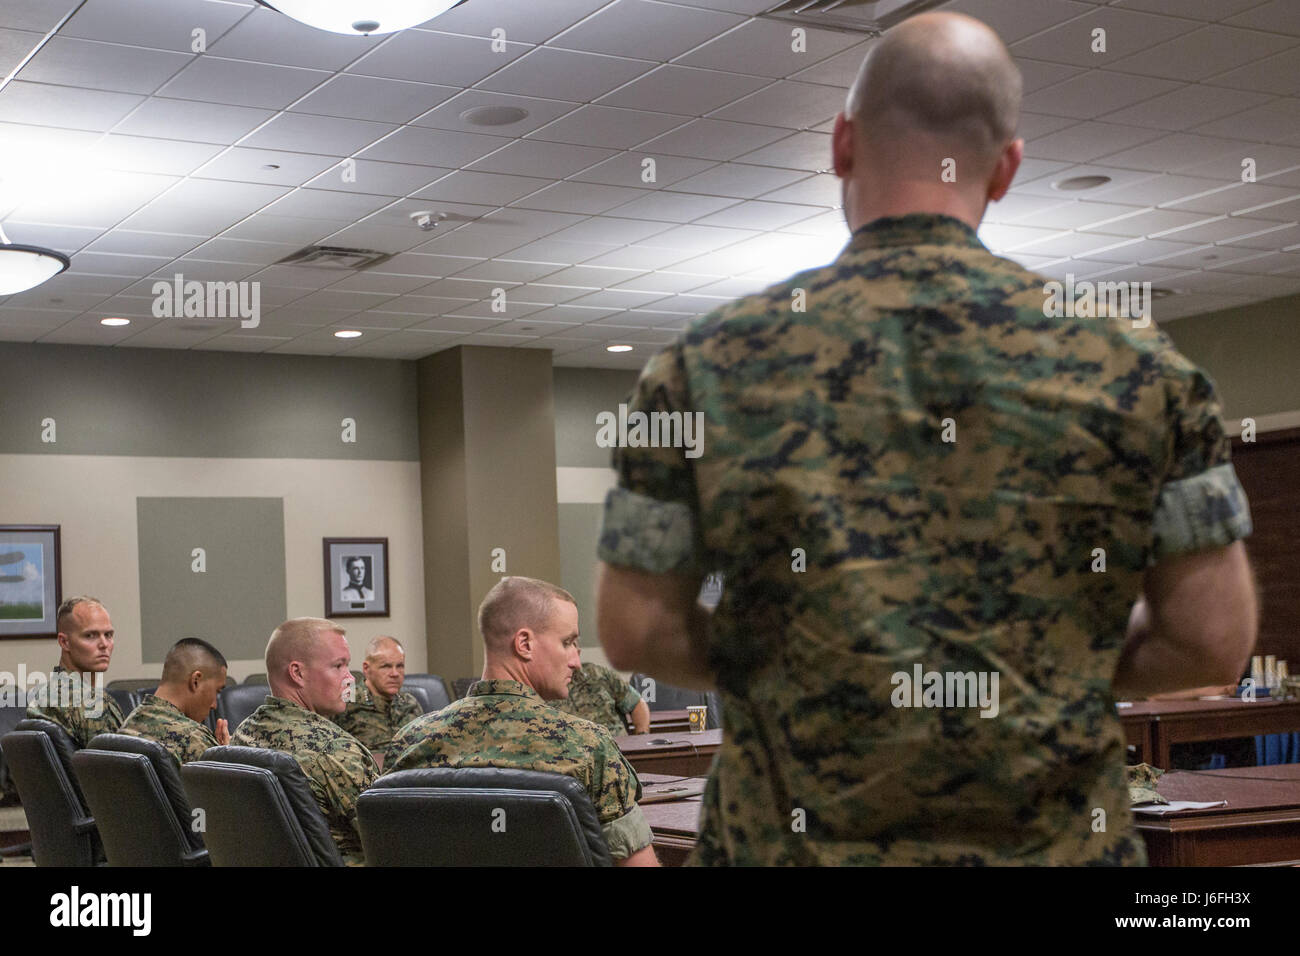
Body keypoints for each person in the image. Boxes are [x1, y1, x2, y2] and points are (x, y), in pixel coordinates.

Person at [592, 10, 1257, 866]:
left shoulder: (707, 366)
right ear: (1008, 166)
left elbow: (636, 630)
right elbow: (1211, 639)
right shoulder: (1141, 369)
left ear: (840, 143)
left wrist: (803, 661)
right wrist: (1054, 663)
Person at [386, 577, 657, 866]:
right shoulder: (588, 747)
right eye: (568, 642)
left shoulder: (410, 743)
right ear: (525, 644)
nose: (576, 661)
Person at [231, 618, 377, 865]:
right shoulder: (334, 750)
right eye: (338, 666)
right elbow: (392, 839)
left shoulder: (241, 736)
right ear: (297, 673)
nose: (350, 679)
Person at [26, 596, 124, 748]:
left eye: (108, 635)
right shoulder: (93, 704)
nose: (104, 644)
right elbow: (118, 768)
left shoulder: (42, 696)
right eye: (90, 635)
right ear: (64, 642)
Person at [117, 638, 230, 765]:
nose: (214, 705)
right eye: (217, 691)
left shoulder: (126, 727)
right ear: (196, 681)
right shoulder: (194, 739)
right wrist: (226, 758)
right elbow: (229, 785)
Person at [333, 635, 422, 768]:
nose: (395, 673)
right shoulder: (347, 700)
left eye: (400, 666)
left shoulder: (410, 702)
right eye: (386, 666)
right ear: (366, 669)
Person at [550, 660, 650, 738]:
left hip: (618, 748)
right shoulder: (545, 687)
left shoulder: (597, 673)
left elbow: (637, 704)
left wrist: (642, 737)